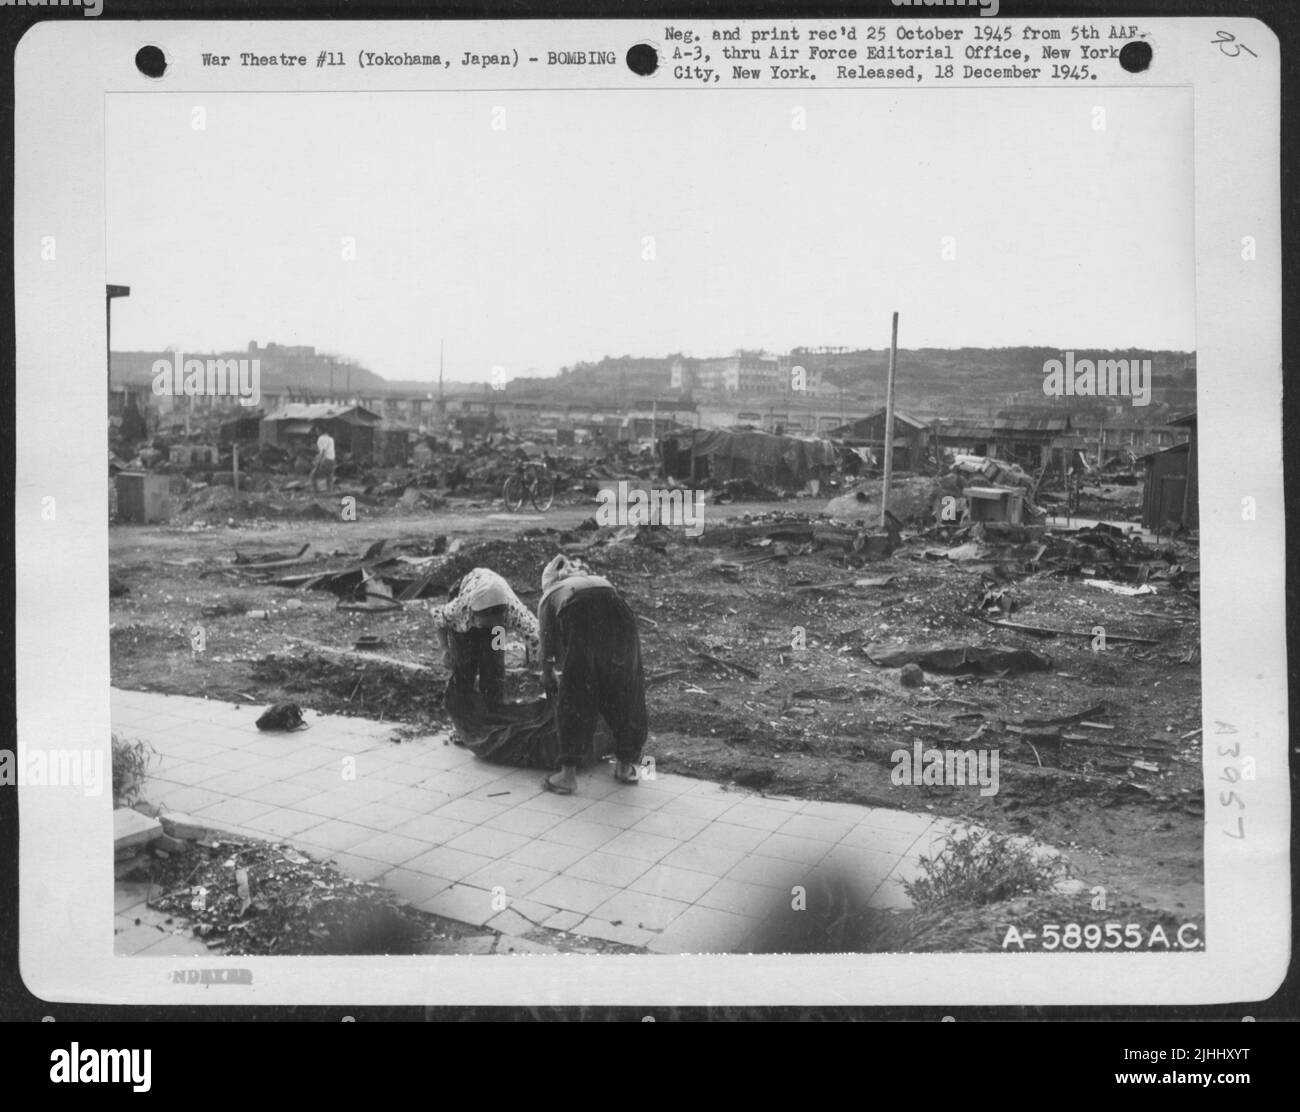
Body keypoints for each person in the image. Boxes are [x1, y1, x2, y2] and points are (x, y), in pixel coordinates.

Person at [537, 554, 648, 795]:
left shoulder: (549, 597)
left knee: (576, 692)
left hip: (582, 613)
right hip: (620, 613)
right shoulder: (593, 579)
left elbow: (547, 644)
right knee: (625, 687)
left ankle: (567, 777)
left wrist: (548, 673)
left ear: (547, 585)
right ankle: (625, 766)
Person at [428, 568, 539, 706]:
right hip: (468, 608)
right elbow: (439, 617)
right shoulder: (460, 610)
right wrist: (445, 648)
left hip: (496, 619)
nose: (489, 627)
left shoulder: (513, 612)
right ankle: (462, 706)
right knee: (464, 666)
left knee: (494, 666)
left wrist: (536, 663)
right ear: (473, 614)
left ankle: (493, 706)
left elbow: (535, 634)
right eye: (486, 624)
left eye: (495, 622)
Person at [310, 423, 336, 492]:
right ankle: (330, 491)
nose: (316, 431)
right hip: (332, 460)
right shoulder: (331, 438)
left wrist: (317, 462)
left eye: (317, 430)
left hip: (325, 460)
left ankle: (316, 491)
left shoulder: (321, 438)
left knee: (313, 475)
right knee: (329, 476)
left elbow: (323, 452)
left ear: (320, 430)